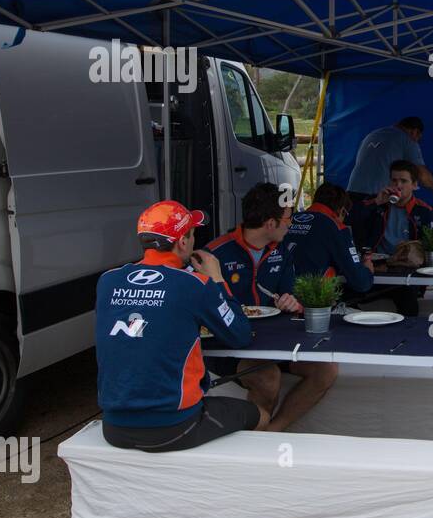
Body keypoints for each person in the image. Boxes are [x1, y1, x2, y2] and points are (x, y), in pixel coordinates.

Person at [95, 200, 269, 451]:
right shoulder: (195, 285)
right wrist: (217, 279)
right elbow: (240, 334)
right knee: (260, 415)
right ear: (183, 242)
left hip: (113, 427)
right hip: (173, 426)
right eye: (192, 233)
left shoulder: (107, 281)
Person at [206, 183, 337, 432]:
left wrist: (292, 301)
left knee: (326, 370)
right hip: (229, 345)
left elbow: (292, 293)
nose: (292, 224)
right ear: (270, 224)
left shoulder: (282, 250)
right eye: (288, 219)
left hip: (274, 341)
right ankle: (255, 444)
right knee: (267, 378)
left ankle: (270, 432)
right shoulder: (216, 253)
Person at [346, 117, 433, 250]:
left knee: (359, 242)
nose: (399, 184)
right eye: (418, 138)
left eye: (403, 181)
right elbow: (422, 174)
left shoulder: (372, 135)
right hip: (378, 197)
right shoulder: (407, 140)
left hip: (352, 194)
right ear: (415, 132)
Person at [359, 160, 433, 316]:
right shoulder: (378, 202)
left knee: (408, 302)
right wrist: (377, 202)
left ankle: (406, 338)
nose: (398, 185)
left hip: (405, 271)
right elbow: (351, 219)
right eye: (394, 180)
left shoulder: (423, 211)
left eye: (403, 181)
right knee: (346, 292)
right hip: (375, 267)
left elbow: (428, 249)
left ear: (414, 185)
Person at [286, 182, 374, 298]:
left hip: (280, 297)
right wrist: (367, 270)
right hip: (312, 302)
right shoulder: (335, 227)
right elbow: (360, 282)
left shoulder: (288, 220)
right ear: (342, 210)